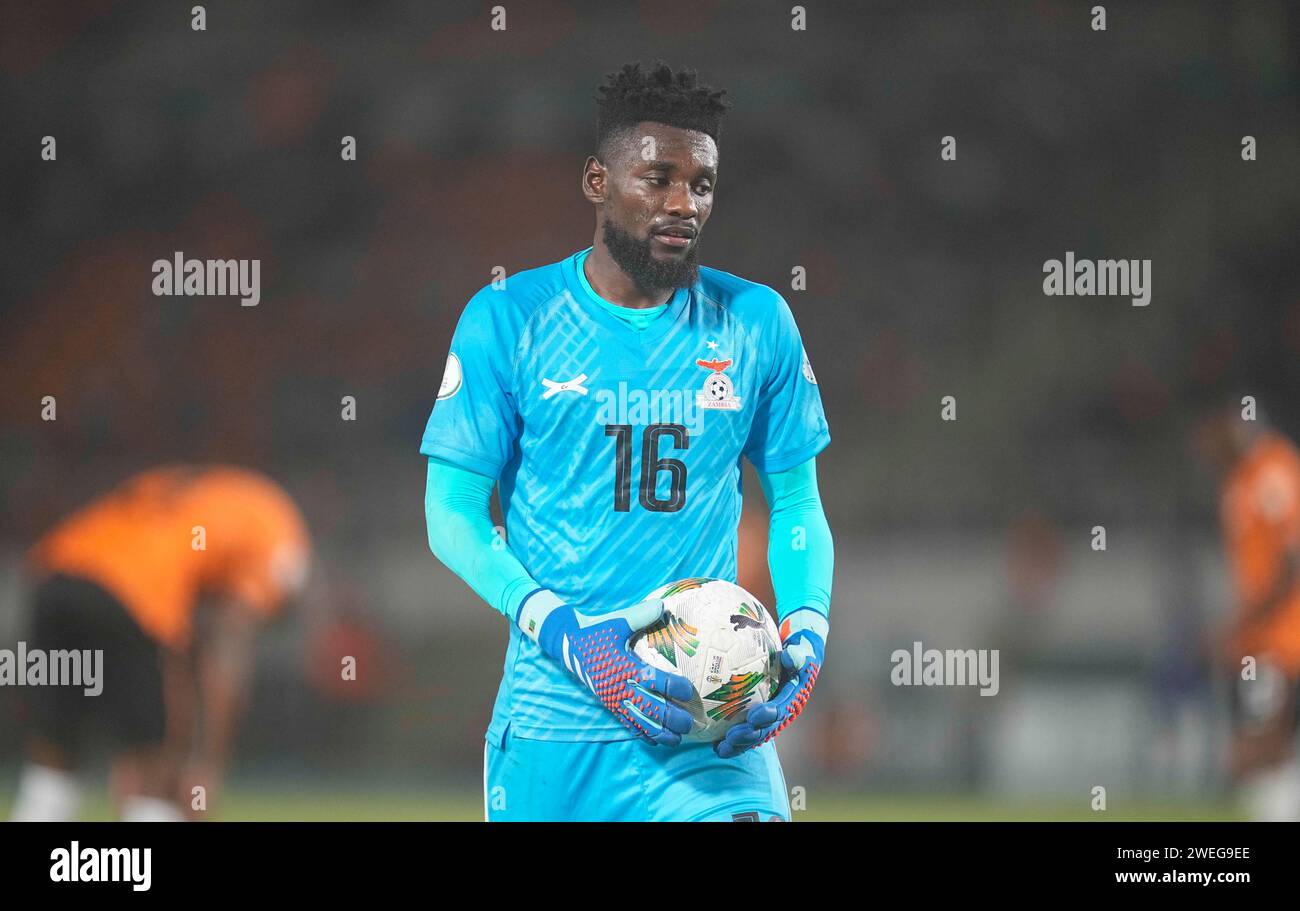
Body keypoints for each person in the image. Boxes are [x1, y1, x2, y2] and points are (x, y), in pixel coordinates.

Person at [421, 61, 834, 821]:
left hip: (706, 725)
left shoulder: (757, 321)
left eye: (702, 185)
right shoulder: (510, 317)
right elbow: (450, 512)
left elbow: (798, 499)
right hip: (556, 726)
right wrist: (565, 629)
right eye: (658, 178)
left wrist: (807, 621)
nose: (683, 204)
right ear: (596, 181)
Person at [8, 465, 310, 821]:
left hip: (54, 577)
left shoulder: (210, 491)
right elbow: (228, 647)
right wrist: (206, 765)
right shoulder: (281, 536)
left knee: (54, 755)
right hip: (135, 594)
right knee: (155, 768)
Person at [1193, 393, 1300, 820]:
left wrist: (1238, 626)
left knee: (1258, 753)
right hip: (1264, 643)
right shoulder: (1238, 482)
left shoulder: (1273, 470)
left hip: (1280, 641)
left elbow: (1289, 566)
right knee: (1270, 758)